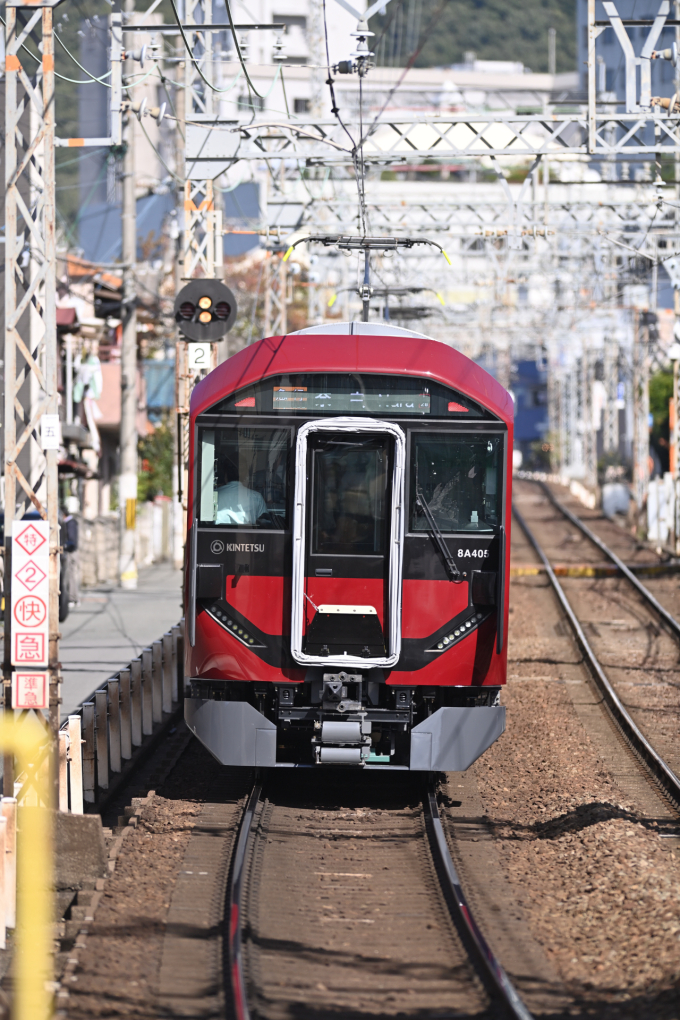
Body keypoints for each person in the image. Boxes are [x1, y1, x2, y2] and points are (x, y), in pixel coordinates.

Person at [215, 456, 267, 525]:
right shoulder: (257, 497)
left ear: (225, 474)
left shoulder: (214, 495)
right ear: (245, 475)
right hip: (246, 535)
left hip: (216, 535)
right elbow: (265, 525)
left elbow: (206, 522)